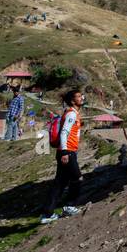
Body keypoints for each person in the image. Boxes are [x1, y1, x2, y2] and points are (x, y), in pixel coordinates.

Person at [41, 88, 84, 224]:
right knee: (77, 178)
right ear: (72, 101)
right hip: (67, 152)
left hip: (66, 151)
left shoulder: (72, 113)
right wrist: (65, 152)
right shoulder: (71, 114)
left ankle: (47, 214)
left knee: (59, 183)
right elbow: (64, 132)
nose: (81, 98)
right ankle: (70, 206)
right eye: (78, 97)